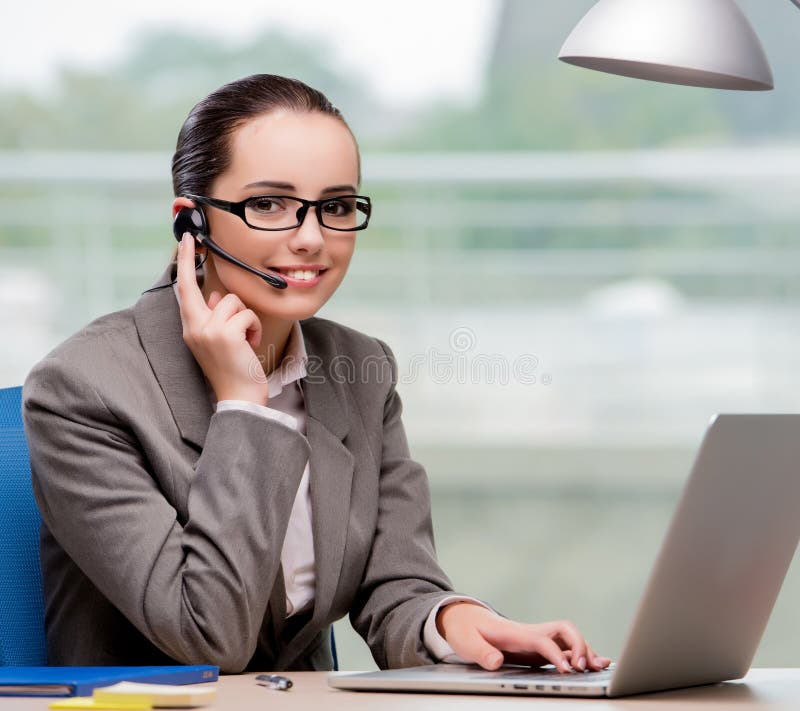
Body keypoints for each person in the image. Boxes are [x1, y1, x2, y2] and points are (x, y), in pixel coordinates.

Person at [21, 73, 611, 674]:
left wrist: (455, 623)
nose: (311, 238)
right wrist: (244, 405)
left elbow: (397, 586)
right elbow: (208, 636)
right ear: (192, 223)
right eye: (269, 204)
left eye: (335, 206)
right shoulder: (83, 388)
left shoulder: (362, 371)